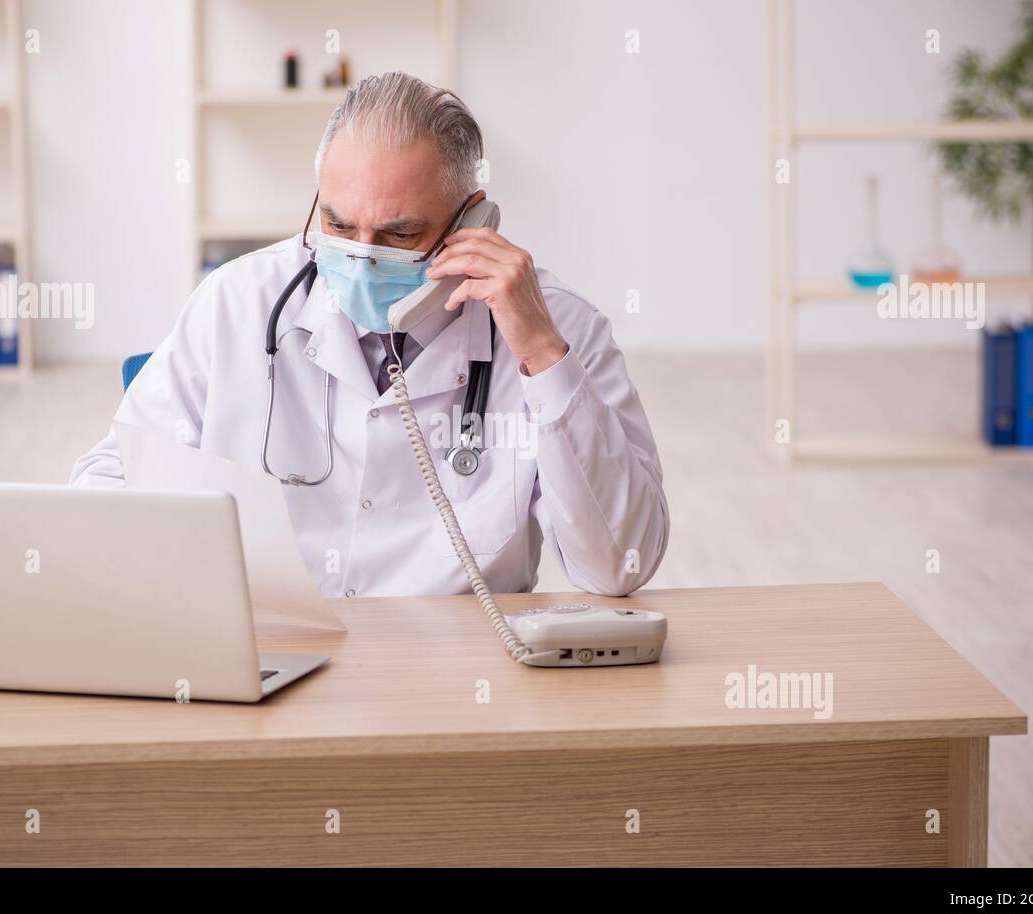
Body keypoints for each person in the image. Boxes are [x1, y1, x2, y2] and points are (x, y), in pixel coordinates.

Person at [71, 71, 667, 598]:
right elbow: (112, 478)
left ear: (474, 221)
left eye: (399, 234)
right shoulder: (236, 302)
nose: (359, 256)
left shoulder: (561, 329)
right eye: (337, 223)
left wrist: (541, 355)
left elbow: (619, 566)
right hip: (266, 654)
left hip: (461, 679)